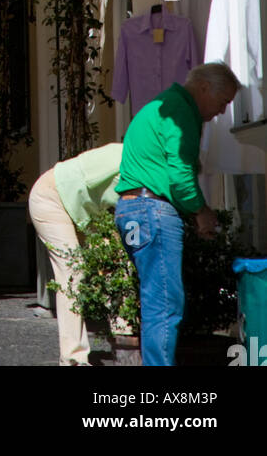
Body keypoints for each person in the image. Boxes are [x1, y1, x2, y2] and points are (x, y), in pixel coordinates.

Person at [114, 61, 240, 367]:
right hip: (151, 210)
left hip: (133, 209)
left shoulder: (164, 105)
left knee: (156, 301)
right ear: (204, 87)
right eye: (223, 103)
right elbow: (181, 178)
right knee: (165, 305)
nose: (222, 112)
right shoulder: (179, 110)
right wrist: (202, 211)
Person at [28, 142, 124, 366]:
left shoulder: (138, 161)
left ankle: (124, 337)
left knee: (118, 263)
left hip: (84, 209)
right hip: (50, 198)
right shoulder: (128, 165)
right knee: (73, 271)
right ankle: (73, 359)